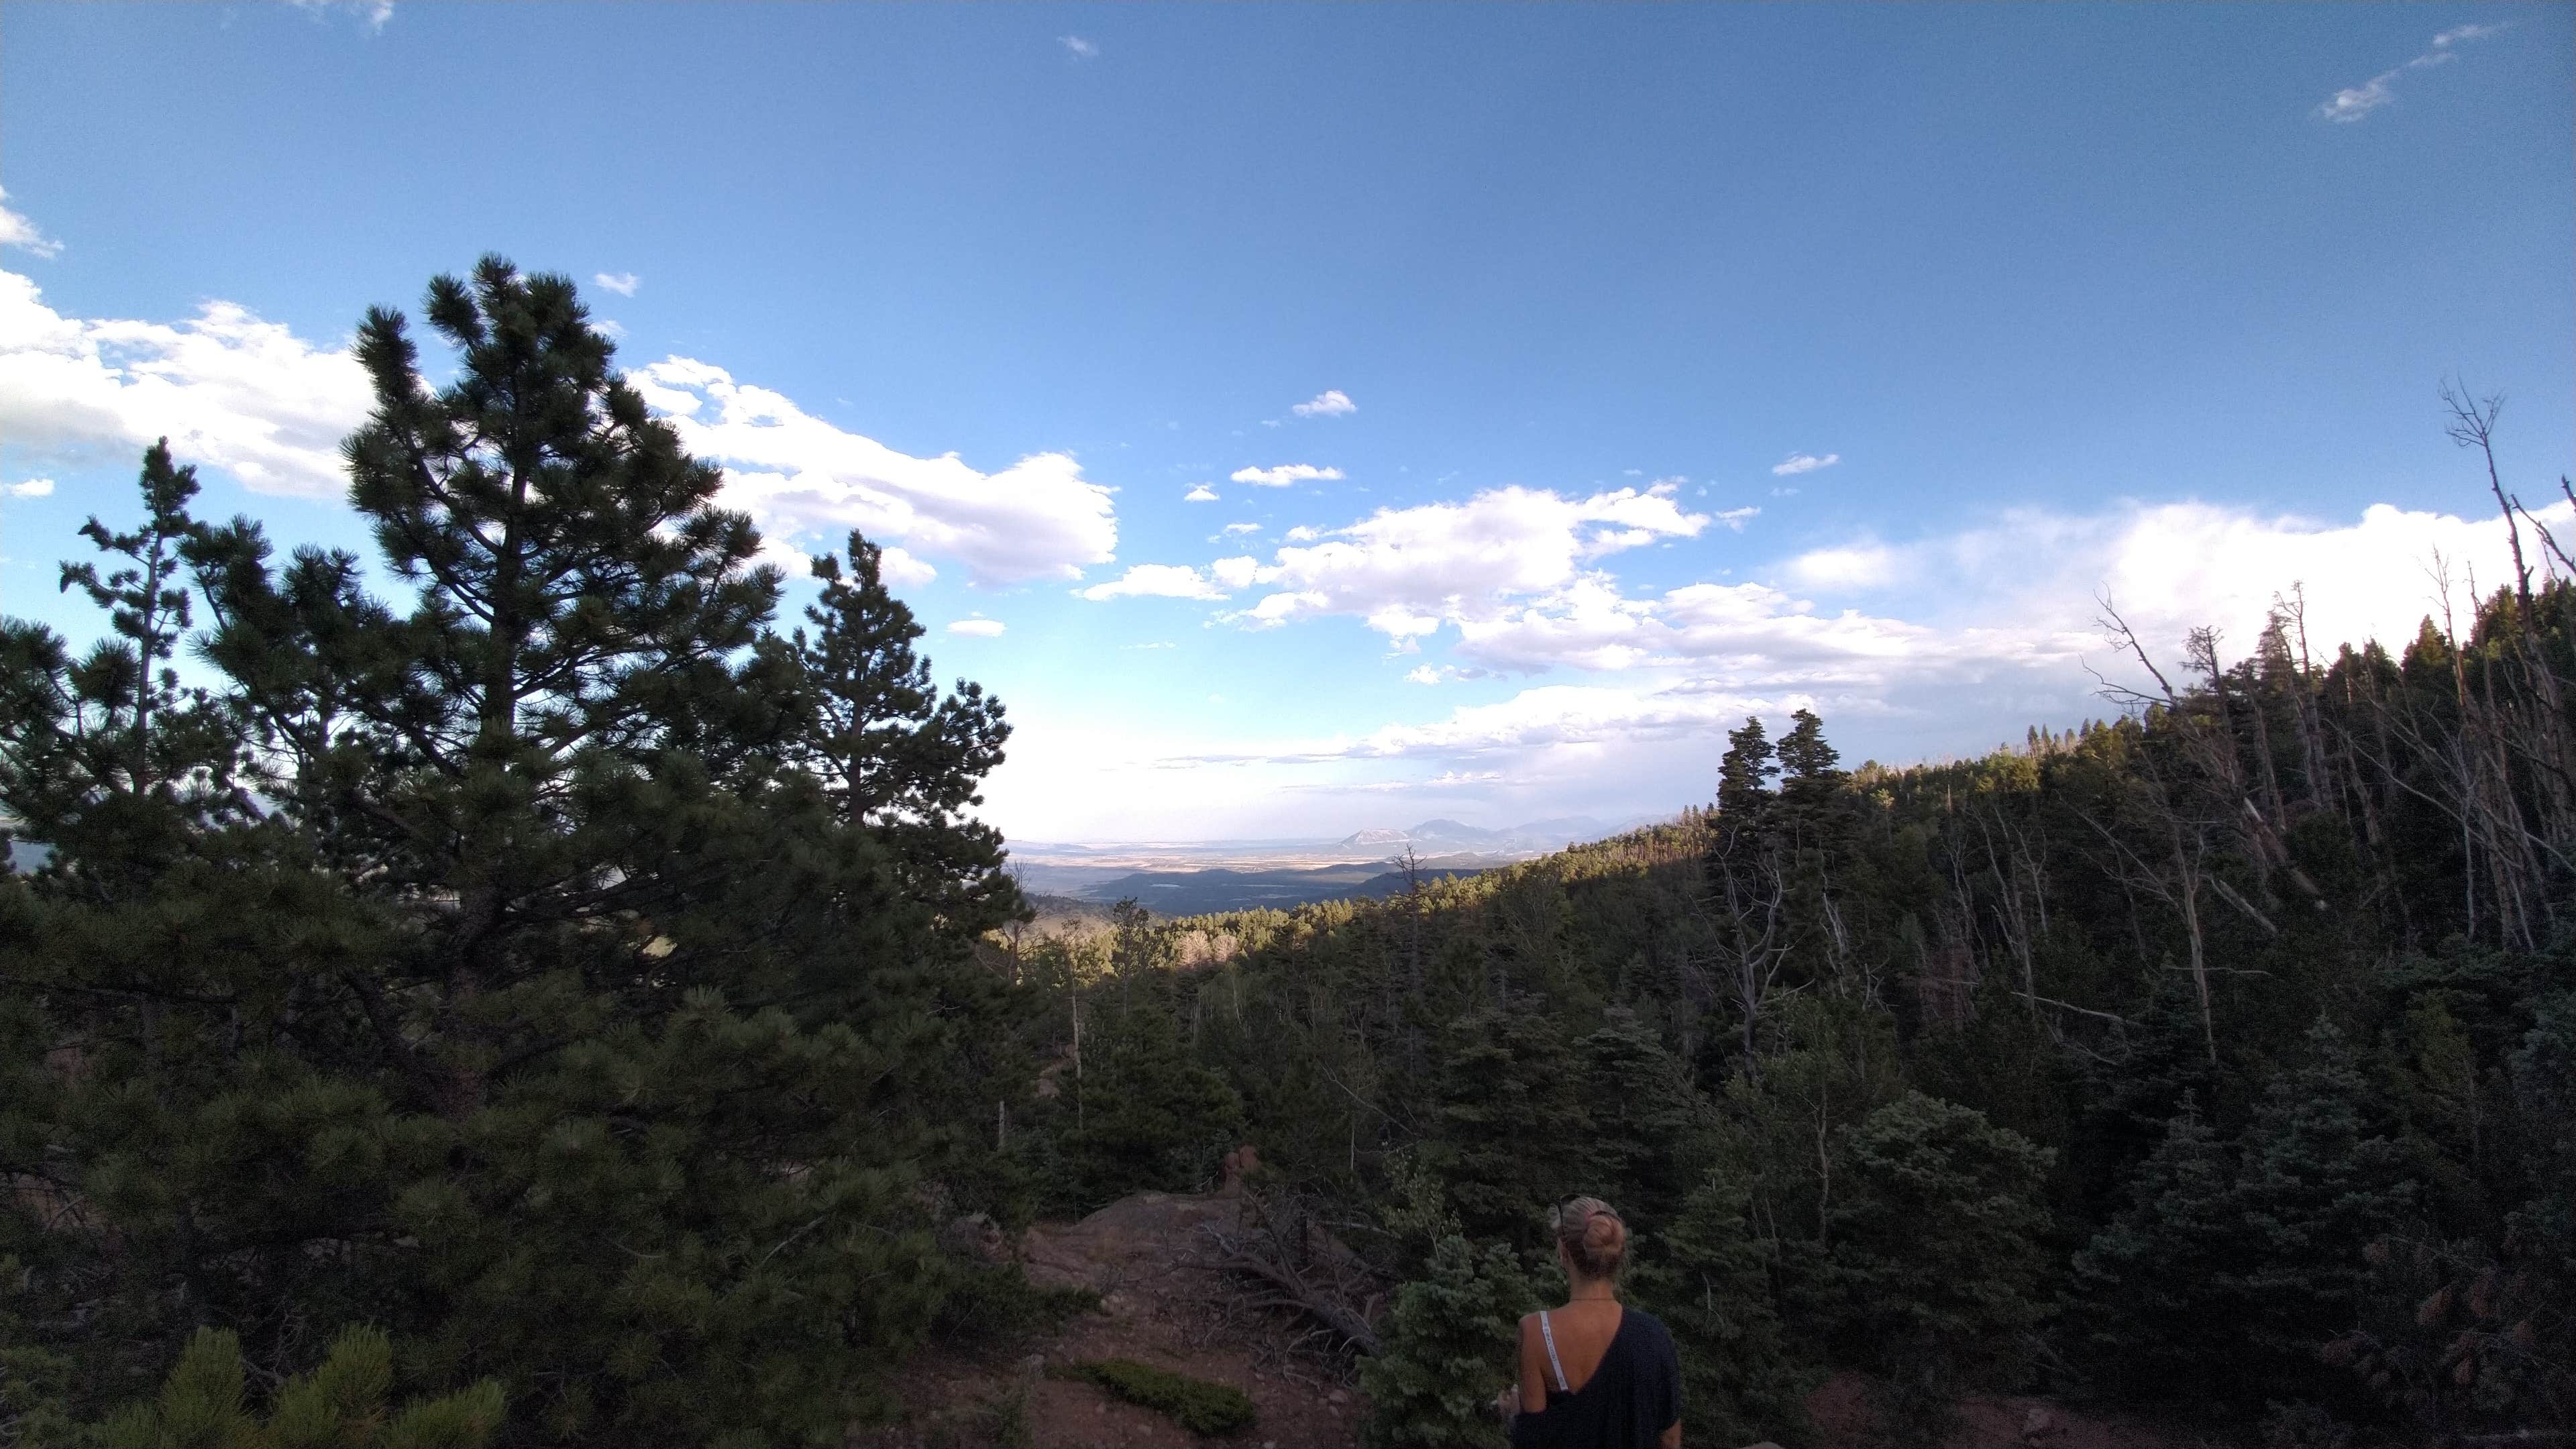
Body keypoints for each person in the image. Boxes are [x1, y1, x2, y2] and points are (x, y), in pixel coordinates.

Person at [1497, 1196, 1682, 1449]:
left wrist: (1514, 1416)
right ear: (1618, 1256)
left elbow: (1534, 1441)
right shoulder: (1654, 1334)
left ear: (1564, 1253)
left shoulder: (1537, 1332)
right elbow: (1670, 1439)